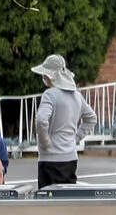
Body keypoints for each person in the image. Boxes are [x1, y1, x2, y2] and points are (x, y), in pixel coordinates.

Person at [33, 53, 87, 188]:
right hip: (71, 157)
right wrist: (76, 138)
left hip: (50, 158)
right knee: (68, 195)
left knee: (48, 196)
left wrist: (45, 142)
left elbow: (41, 119)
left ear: (50, 76)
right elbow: (91, 118)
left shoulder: (50, 94)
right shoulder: (77, 96)